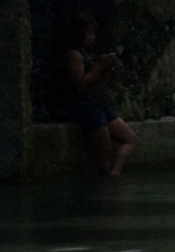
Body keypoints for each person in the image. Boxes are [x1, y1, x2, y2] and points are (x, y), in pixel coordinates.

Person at [52, 12, 137, 175]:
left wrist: (107, 69)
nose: (93, 37)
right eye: (89, 33)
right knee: (104, 152)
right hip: (87, 106)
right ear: (79, 34)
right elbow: (79, 84)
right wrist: (99, 67)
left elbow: (99, 81)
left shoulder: (89, 55)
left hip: (100, 104)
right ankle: (107, 181)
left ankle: (115, 174)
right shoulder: (74, 55)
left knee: (129, 138)